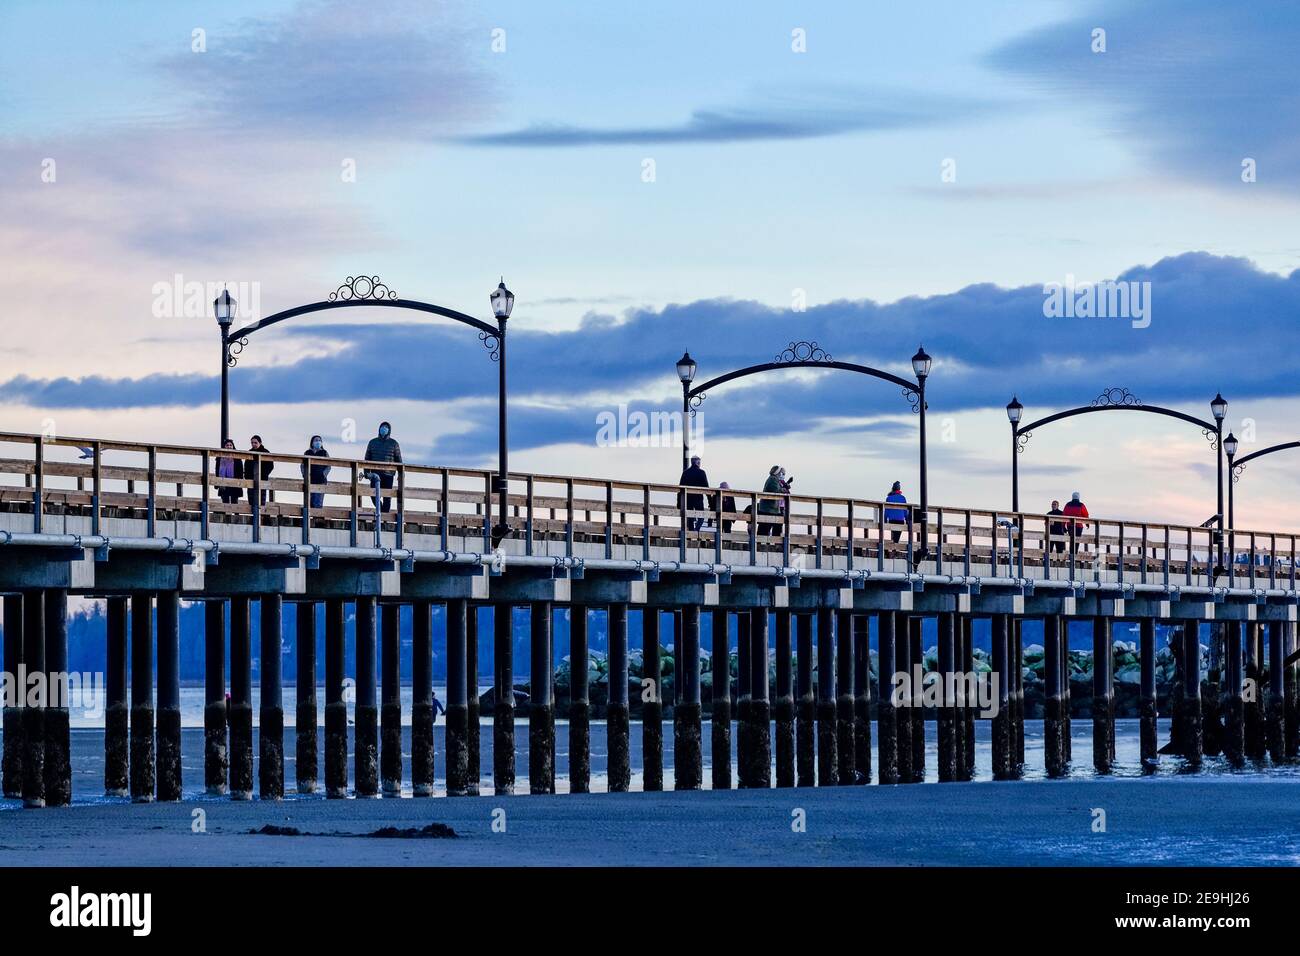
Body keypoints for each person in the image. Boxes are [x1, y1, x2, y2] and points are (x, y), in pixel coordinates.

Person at [364, 421, 402, 513]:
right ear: (379, 429)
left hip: (388, 474)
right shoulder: (372, 442)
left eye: (386, 427)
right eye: (382, 427)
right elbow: (367, 459)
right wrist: (366, 472)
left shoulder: (394, 443)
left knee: (387, 497)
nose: (383, 429)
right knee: (373, 494)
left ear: (389, 430)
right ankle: (380, 510)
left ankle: (385, 516)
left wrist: (401, 474)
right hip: (375, 473)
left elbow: (399, 460)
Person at [678, 455, 710, 531]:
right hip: (698, 498)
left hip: (688, 498)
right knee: (701, 516)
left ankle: (692, 532)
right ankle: (696, 530)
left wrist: (679, 502)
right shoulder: (701, 473)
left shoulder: (685, 473)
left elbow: (680, 489)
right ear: (698, 462)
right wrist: (710, 501)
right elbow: (707, 488)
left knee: (690, 517)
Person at [758, 465, 790, 536]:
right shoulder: (773, 479)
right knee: (765, 528)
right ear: (778, 472)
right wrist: (783, 489)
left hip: (772, 508)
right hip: (768, 509)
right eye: (782, 473)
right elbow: (775, 490)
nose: (783, 475)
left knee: (771, 527)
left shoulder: (774, 479)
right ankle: (761, 544)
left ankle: (763, 543)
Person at [301, 435, 331, 510]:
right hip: (310, 480)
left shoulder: (324, 452)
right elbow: (302, 465)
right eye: (316, 440)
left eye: (319, 440)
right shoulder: (307, 452)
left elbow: (329, 465)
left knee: (318, 503)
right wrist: (305, 475)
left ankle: (317, 520)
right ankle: (309, 519)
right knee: (309, 503)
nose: (318, 442)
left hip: (321, 480)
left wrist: (324, 474)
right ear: (312, 442)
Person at [244, 435, 274, 507]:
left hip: (262, 479)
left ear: (260, 443)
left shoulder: (266, 452)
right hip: (251, 479)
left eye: (255, 442)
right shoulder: (250, 452)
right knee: (251, 500)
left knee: (262, 500)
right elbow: (246, 466)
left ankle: (262, 516)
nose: (253, 444)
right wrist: (247, 476)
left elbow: (270, 466)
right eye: (252, 443)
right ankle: (253, 516)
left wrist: (263, 474)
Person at [216, 438, 241, 506]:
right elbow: (217, 470)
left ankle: (236, 515)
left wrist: (240, 483)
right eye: (227, 445)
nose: (229, 446)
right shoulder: (219, 457)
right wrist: (217, 482)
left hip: (234, 482)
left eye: (230, 445)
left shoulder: (237, 457)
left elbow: (240, 470)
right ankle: (225, 516)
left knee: (234, 501)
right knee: (225, 501)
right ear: (224, 446)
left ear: (233, 446)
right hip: (223, 482)